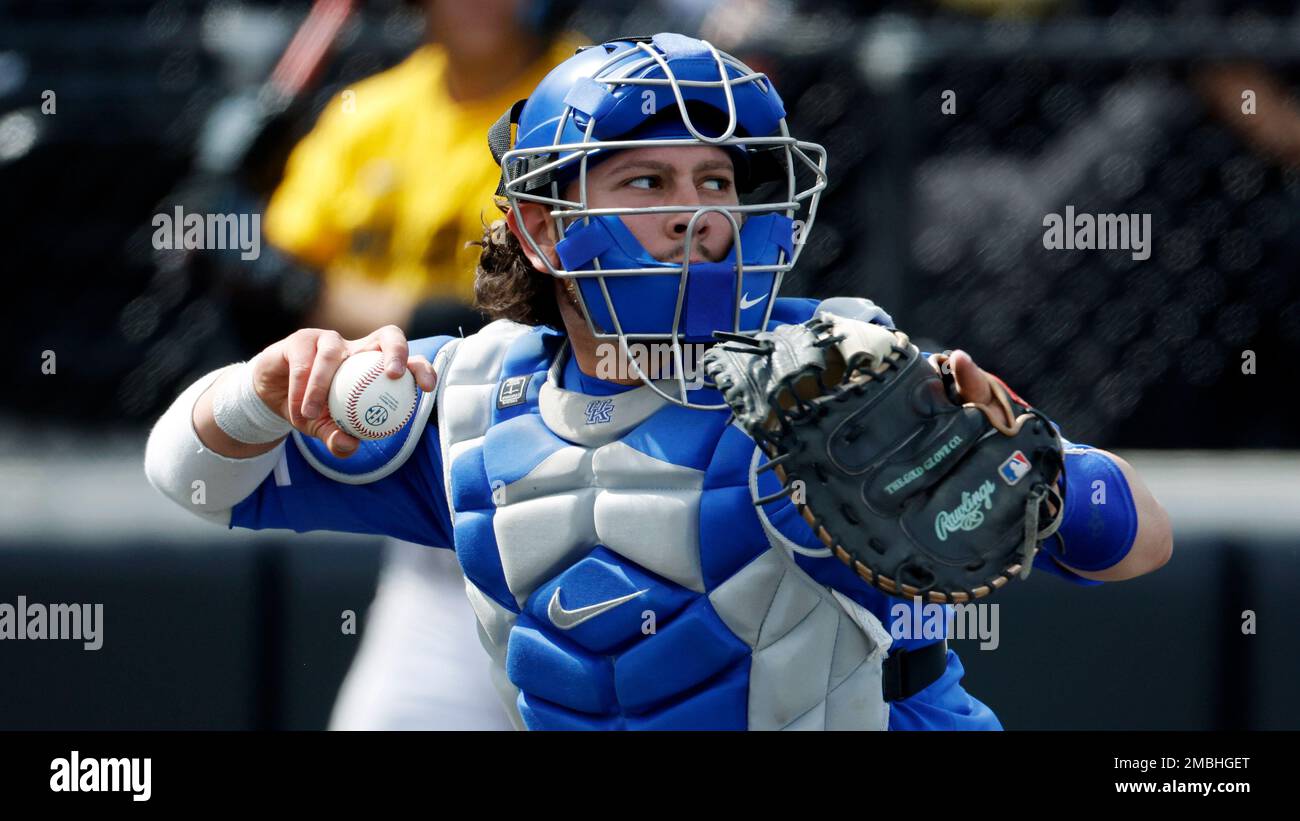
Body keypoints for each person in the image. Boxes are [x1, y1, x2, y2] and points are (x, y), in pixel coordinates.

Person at [145, 33, 1173, 730]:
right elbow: (192, 481)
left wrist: (1026, 466)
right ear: (543, 229)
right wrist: (262, 392)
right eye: (647, 180)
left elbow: (1135, 542)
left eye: (716, 180)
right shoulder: (471, 401)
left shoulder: (835, 373)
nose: (698, 213)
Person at [261, 0, 582, 730]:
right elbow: (271, 290)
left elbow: (511, 310)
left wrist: (345, 300)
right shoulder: (370, 112)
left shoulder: (584, 99)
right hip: (443, 534)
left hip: (603, 507)